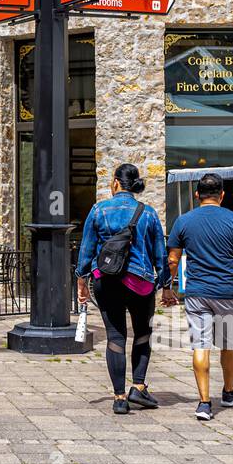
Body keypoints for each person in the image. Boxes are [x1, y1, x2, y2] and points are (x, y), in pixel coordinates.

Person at [164, 172, 233, 421]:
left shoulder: (183, 221)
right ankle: (229, 392)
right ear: (222, 195)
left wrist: (167, 287)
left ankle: (204, 403)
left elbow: (173, 260)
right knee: (228, 344)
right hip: (227, 293)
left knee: (200, 345)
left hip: (197, 293)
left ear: (197, 195)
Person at [75, 163, 170, 415]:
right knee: (142, 334)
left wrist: (81, 281)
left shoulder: (98, 210)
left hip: (106, 281)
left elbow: (86, 250)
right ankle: (138, 385)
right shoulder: (147, 213)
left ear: (116, 182)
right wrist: (166, 285)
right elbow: (160, 254)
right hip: (140, 282)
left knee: (115, 337)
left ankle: (119, 397)